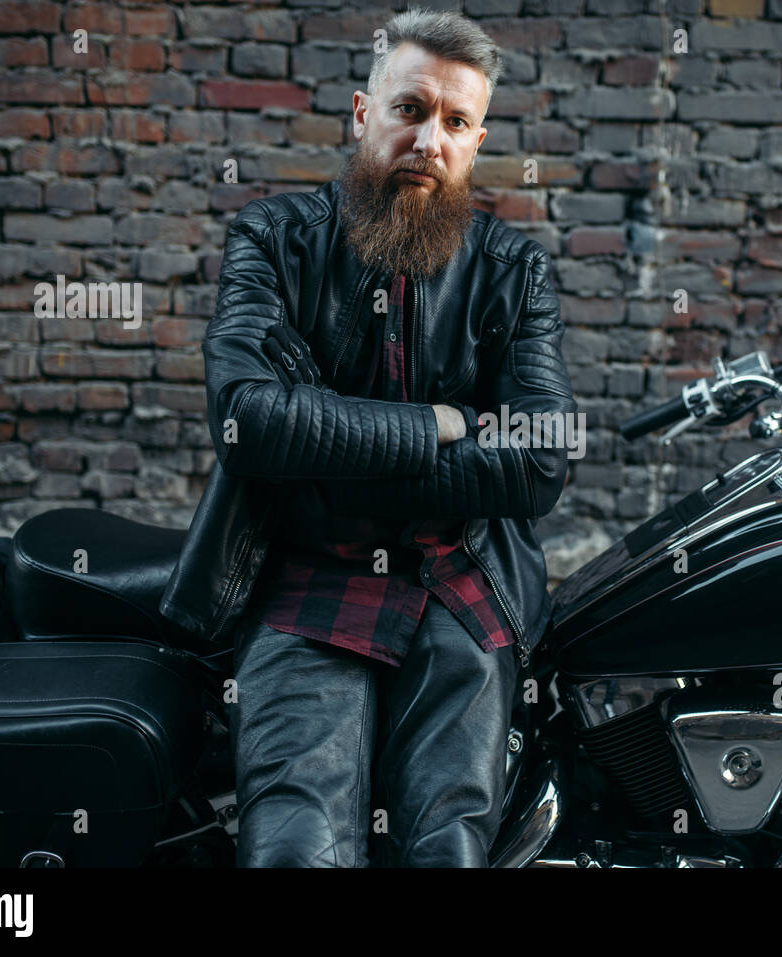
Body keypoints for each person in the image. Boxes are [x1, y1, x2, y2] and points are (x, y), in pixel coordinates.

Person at [183, 7, 577, 867]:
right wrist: (444, 427)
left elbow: (542, 456)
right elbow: (250, 419)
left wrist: (329, 450)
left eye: (456, 121)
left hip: (458, 587)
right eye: (410, 109)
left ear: (476, 141)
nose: (430, 139)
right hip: (308, 583)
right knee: (296, 848)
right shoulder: (274, 239)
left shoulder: (516, 271)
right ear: (364, 115)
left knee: (450, 847)